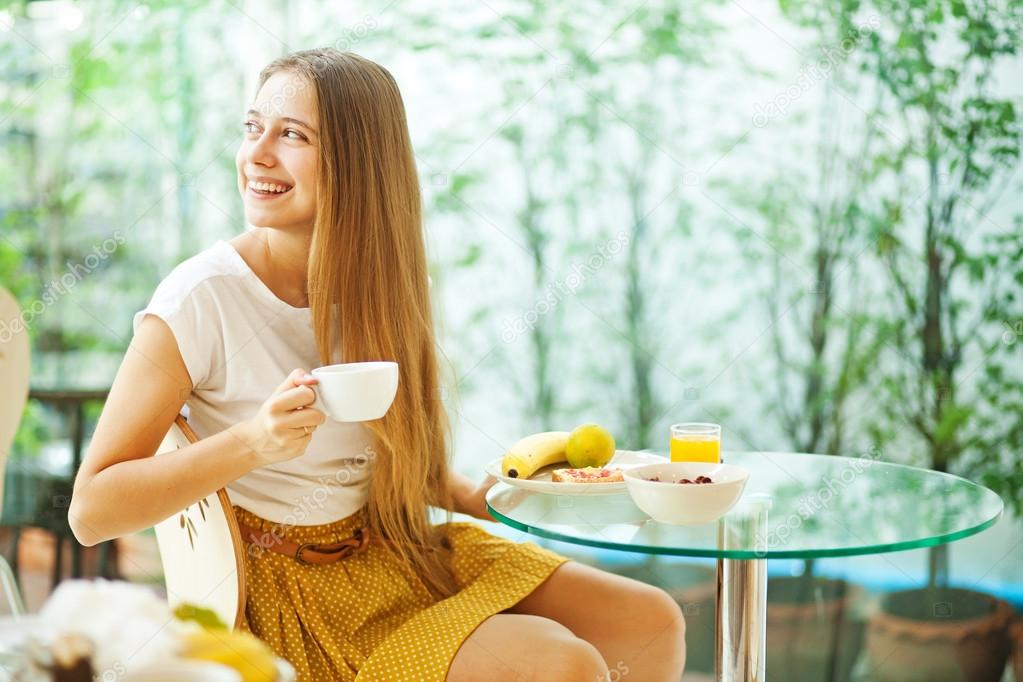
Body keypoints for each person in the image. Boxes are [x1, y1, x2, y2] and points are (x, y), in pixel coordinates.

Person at [69, 48, 686, 682]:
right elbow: (91, 511)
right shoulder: (200, 299)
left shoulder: (386, 285)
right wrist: (254, 442)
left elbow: (365, 458)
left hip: (394, 550)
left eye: (293, 135)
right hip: (293, 600)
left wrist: (471, 494)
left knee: (649, 619)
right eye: (253, 127)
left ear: (358, 163)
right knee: (559, 663)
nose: (257, 153)